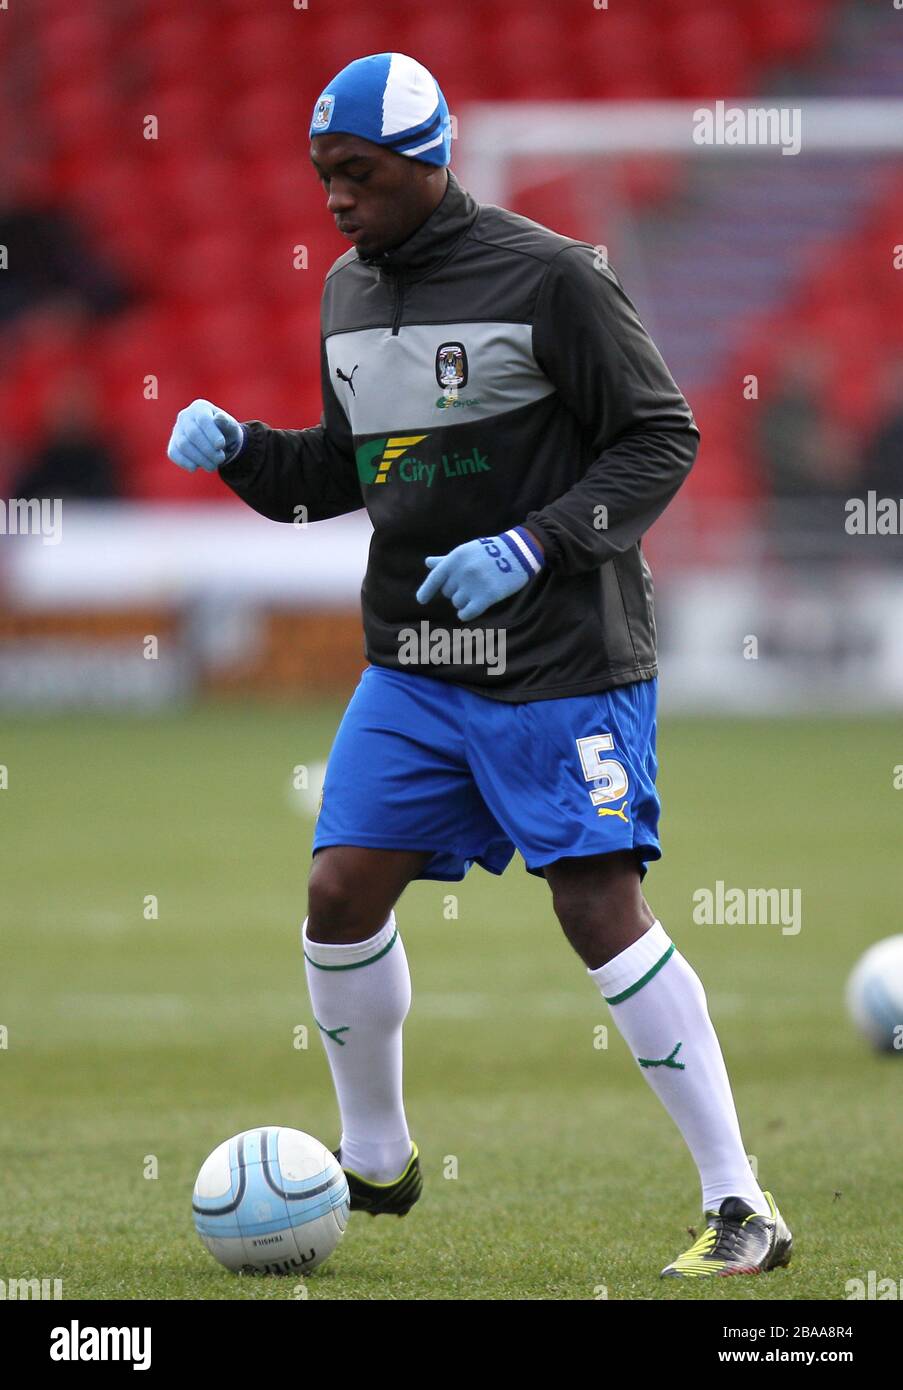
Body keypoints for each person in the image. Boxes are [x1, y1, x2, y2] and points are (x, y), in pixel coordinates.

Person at [167, 53, 791, 1279]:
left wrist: (533, 543)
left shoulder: (555, 275)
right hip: (415, 660)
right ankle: (377, 1158)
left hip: (562, 657)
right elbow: (351, 476)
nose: (335, 200)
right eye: (322, 178)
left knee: (595, 907)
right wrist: (244, 452)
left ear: (428, 158)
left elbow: (662, 435)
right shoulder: (346, 293)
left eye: (357, 175)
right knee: (340, 890)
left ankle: (741, 1206)